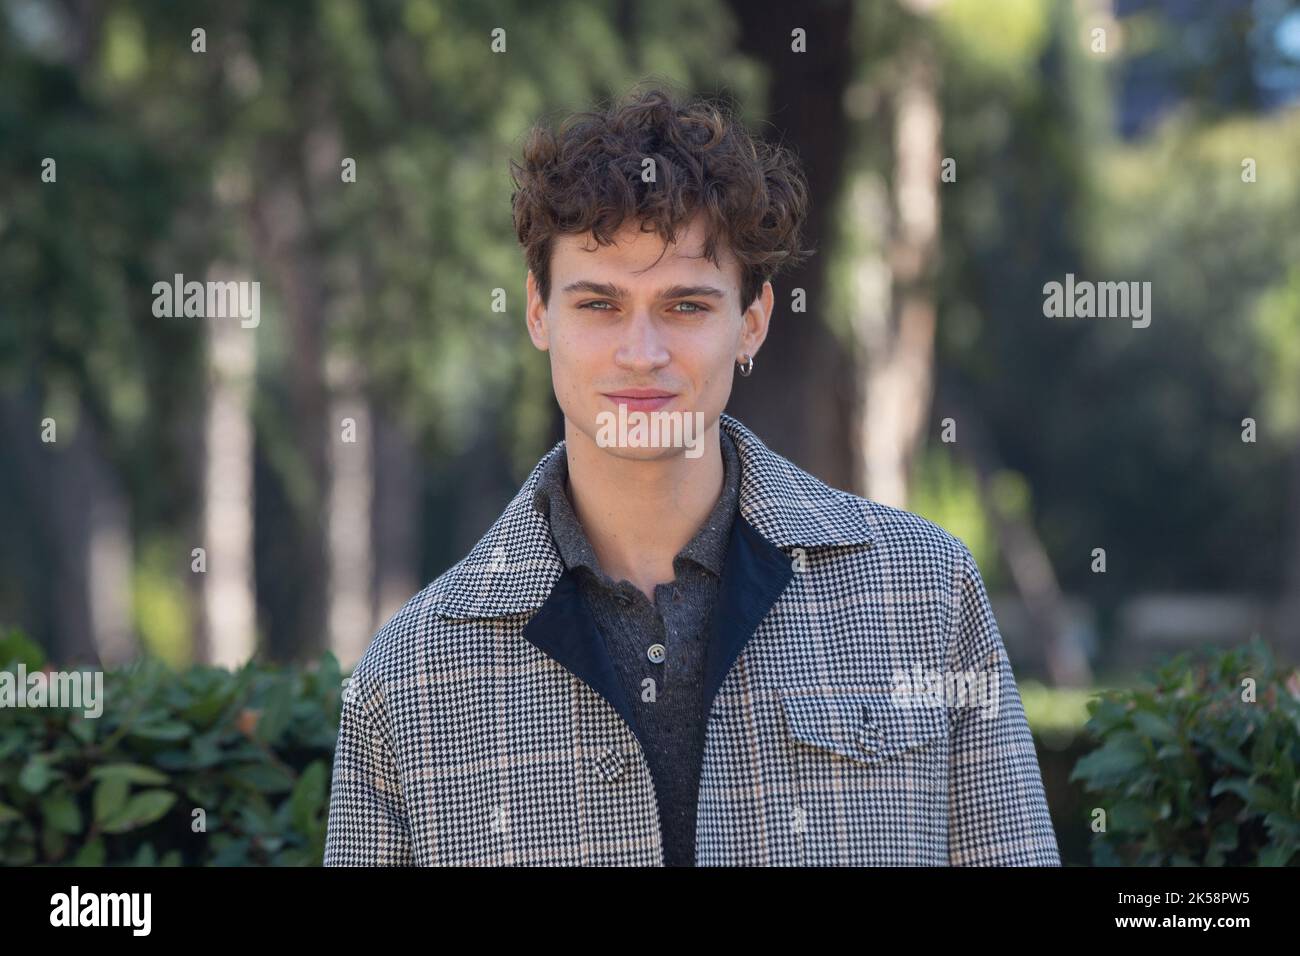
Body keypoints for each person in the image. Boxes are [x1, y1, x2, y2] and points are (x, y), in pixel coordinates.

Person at [324, 83, 1060, 866]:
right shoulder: (412, 674)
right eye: (600, 305)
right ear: (539, 314)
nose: (641, 354)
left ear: (753, 321)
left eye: (684, 307)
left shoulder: (923, 590)